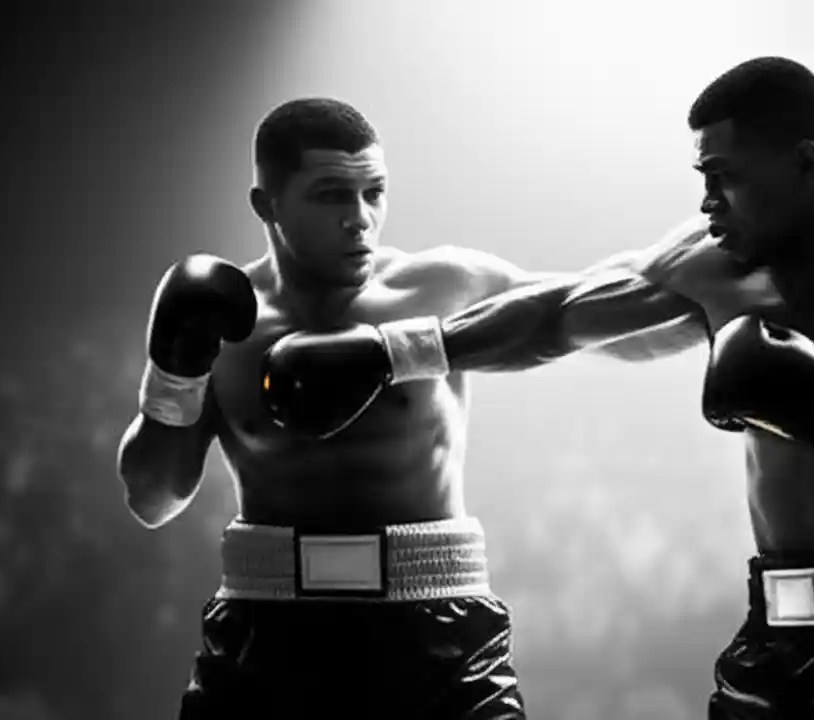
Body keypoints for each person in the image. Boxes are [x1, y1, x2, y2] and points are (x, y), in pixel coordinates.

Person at [264, 57, 814, 718]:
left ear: (809, 164)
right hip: (777, 631)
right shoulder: (715, 265)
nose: (707, 201)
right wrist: (391, 354)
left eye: (725, 177)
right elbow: (558, 314)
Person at [116, 97, 735, 718]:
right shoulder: (226, 322)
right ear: (267, 205)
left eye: (374, 193)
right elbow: (153, 498)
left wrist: (731, 279)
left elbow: (602, 312)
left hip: (437, 626)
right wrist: (175, 372)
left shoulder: (442, 287)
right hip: (264, 631)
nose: (360, 219)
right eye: (332, 196)